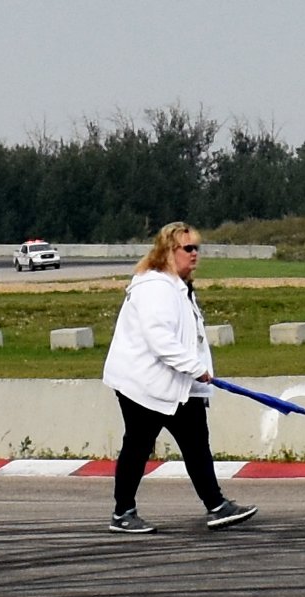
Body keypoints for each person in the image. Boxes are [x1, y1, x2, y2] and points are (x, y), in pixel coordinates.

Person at [102, 221, 257, 533]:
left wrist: (195, 374)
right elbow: (160, 340)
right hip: (144, 384)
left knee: (196, 443)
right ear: (169, 251)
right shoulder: (155, 287)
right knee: (138, 446)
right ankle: (123, 513)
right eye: (188, 248)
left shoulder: (179, 286)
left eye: (197, 247)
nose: (195, 254)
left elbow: (189, 337)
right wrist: (195, 368)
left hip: (176, 383)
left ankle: (216, 505)